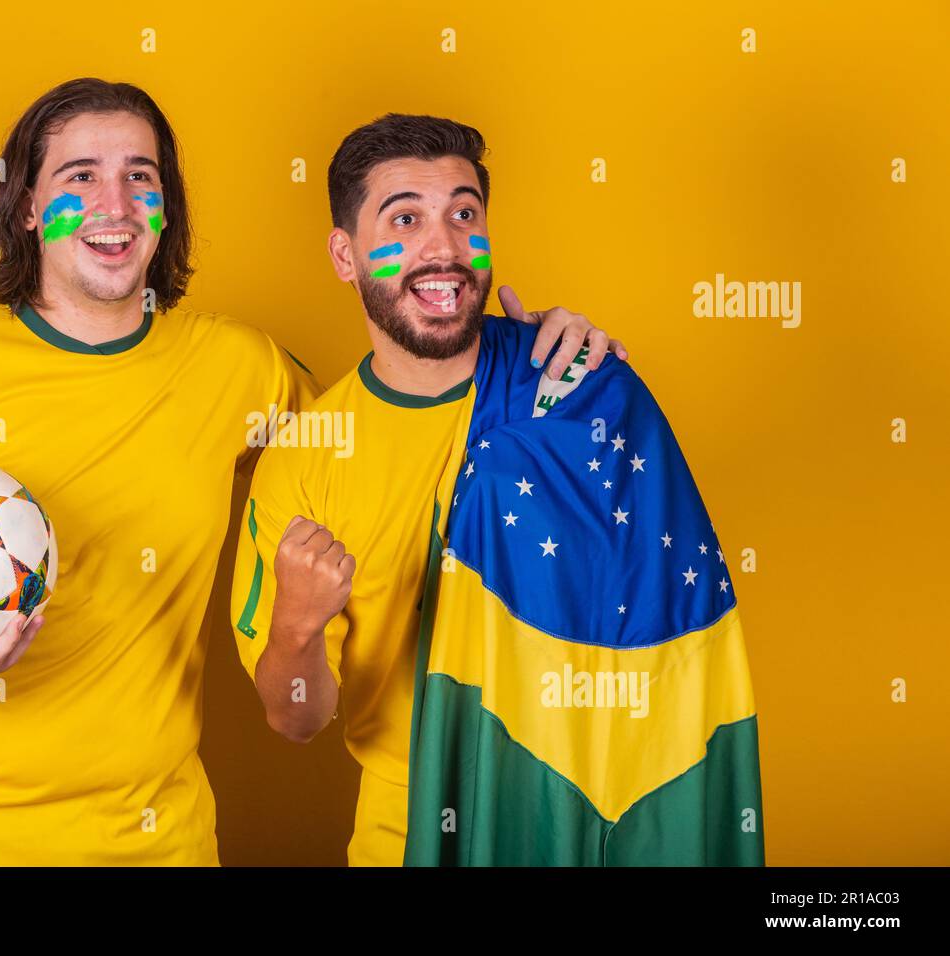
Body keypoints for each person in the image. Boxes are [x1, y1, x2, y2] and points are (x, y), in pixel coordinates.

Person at [0, 80, 622, 866]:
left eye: (140, 177)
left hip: (159, 843)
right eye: (80, 177)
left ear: (166, 207)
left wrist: (538, 353)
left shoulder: (240, 368)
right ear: (26, 206)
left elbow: (395, 414)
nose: (115, 203)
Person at [230, 113, 758, 867]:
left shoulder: (574, 389)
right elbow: (297, 721)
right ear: (345, 256)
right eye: (404, 218)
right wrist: (297, 625)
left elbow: (660, 616)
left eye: (464, 214)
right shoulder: (308, 458)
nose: (443, 247)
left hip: (575, 814)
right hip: (406, 832)